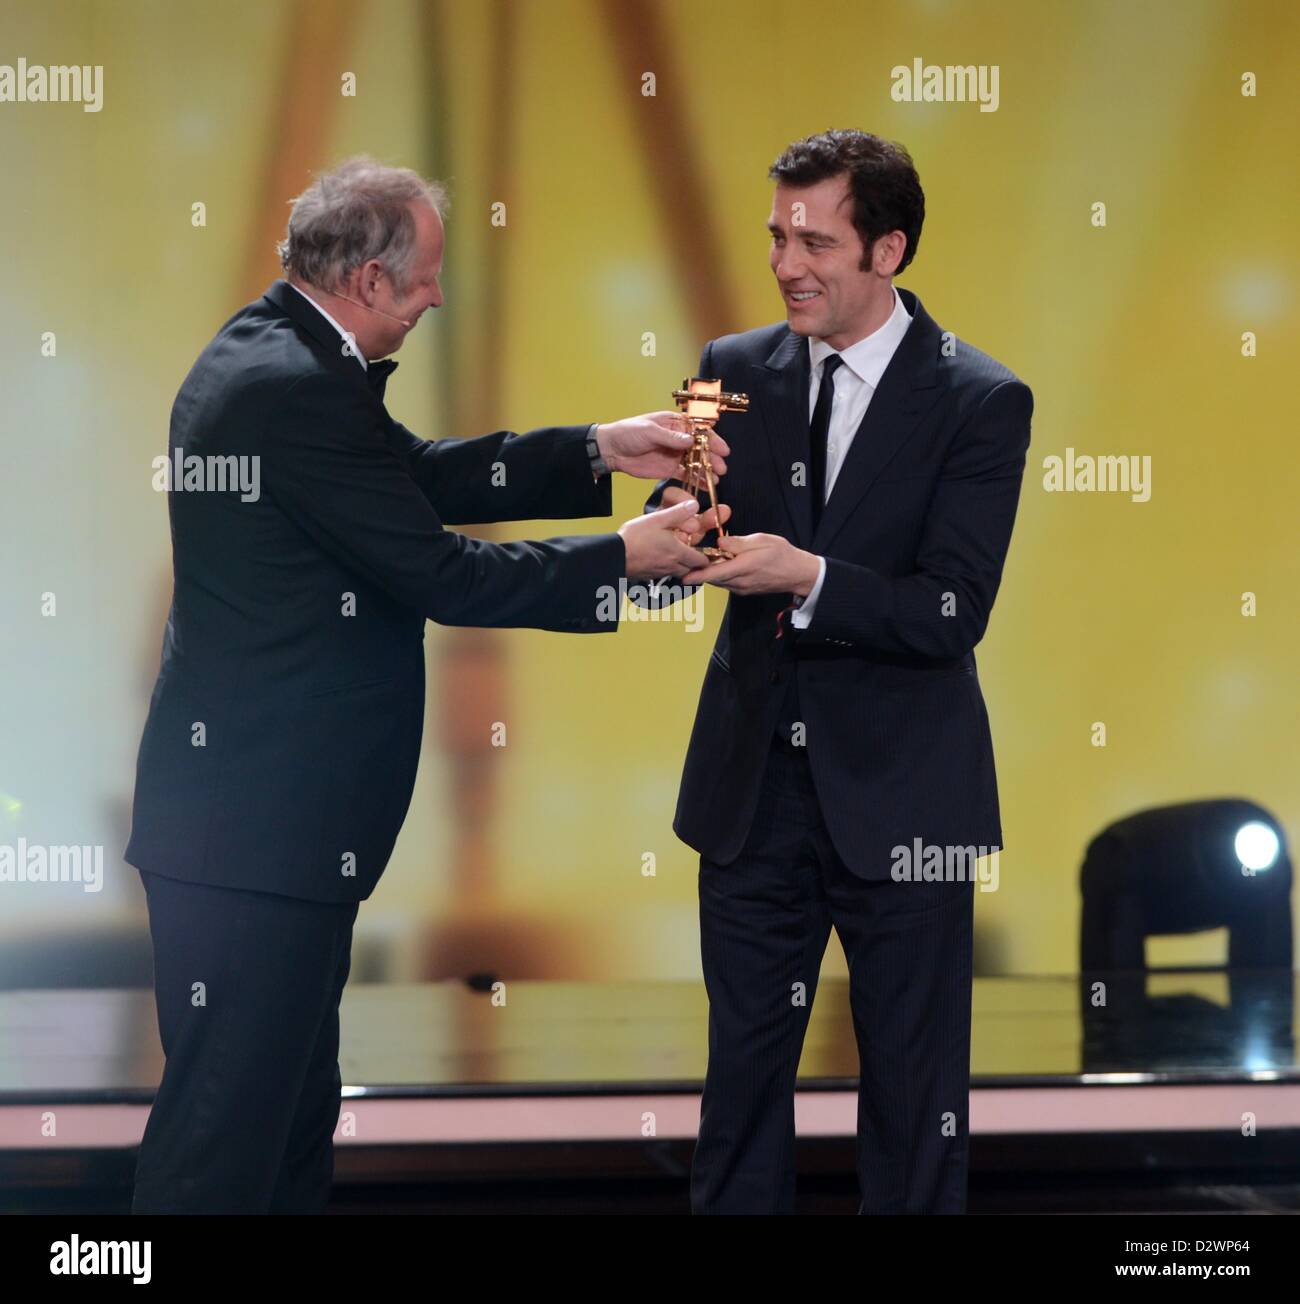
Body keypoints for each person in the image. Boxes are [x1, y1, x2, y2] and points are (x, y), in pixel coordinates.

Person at [125, 155, 717, 1213]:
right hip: (255, 840)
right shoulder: (294, 390)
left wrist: (595, 449)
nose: (439, 296)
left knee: (286, 1128)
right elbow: (440, 571)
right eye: (427, 277)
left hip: (260, 836)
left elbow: (413, 474)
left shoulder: (269, 346)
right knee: (222, 1146)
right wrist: (624, 558)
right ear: (365, 279)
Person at [644, 129, 1034, 1213]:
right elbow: (670, 531)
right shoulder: (731, 368)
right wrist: (672, 523)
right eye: (775, 234)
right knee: (741, 1098)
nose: (784, 263)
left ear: (888, 250)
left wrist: (807, 572)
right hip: (751, 795)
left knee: (915, 1104)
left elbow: (951, 610)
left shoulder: (979, 399)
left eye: (814, 240)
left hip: (907, 797)